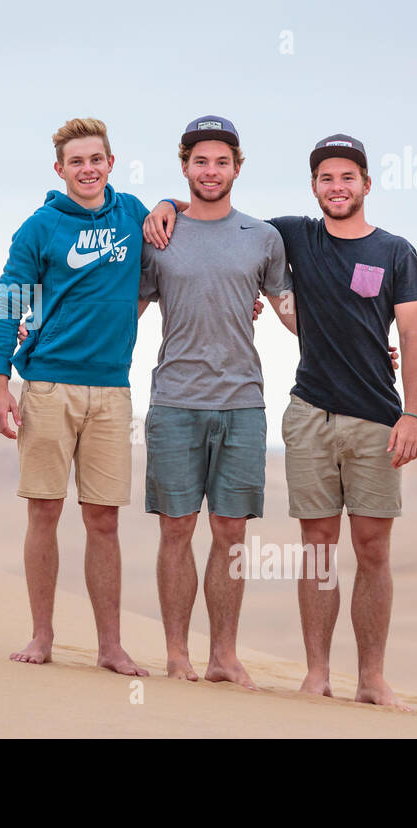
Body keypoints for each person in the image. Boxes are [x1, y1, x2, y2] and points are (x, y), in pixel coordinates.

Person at [142, 133, 417, 708]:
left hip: (376, 416)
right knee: (317, 546)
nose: (337, 187)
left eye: (348, 177)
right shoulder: (290, 233)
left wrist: (413, 413)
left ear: (366, 184)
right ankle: (316, 674)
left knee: (372, 549)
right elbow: (210, 214)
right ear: (314, 187)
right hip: (307, 415)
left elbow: (413, 336)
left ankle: (371, 678)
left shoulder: (393, 250)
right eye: (326, 178)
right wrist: (165, 204)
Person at [0, 117, 149, 676]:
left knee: (104, 519)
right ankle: (42, 635)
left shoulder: (133, 213)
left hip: (112, 389)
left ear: (111, 163)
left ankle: (110, 645)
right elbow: (10, 301)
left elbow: (177, 252)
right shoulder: (40, 228)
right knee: (45, 511)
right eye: (76, 161)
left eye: (96, 159)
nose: (88, 169)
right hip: (49, 384)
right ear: (60, 170)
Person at [138, 115, 291, 689]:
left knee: (231, 531)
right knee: (176, 529)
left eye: (221, 161)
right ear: (184, 166)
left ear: (237, 167)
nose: (210, 170)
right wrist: (49, 336)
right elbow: (126, 309)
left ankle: (223, 656)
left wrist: (368, 344)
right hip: (175, 400)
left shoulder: (264, 237)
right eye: (200, 161)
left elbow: (289, 310)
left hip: (243, 403)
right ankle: (177, 654)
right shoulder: (160, 233)